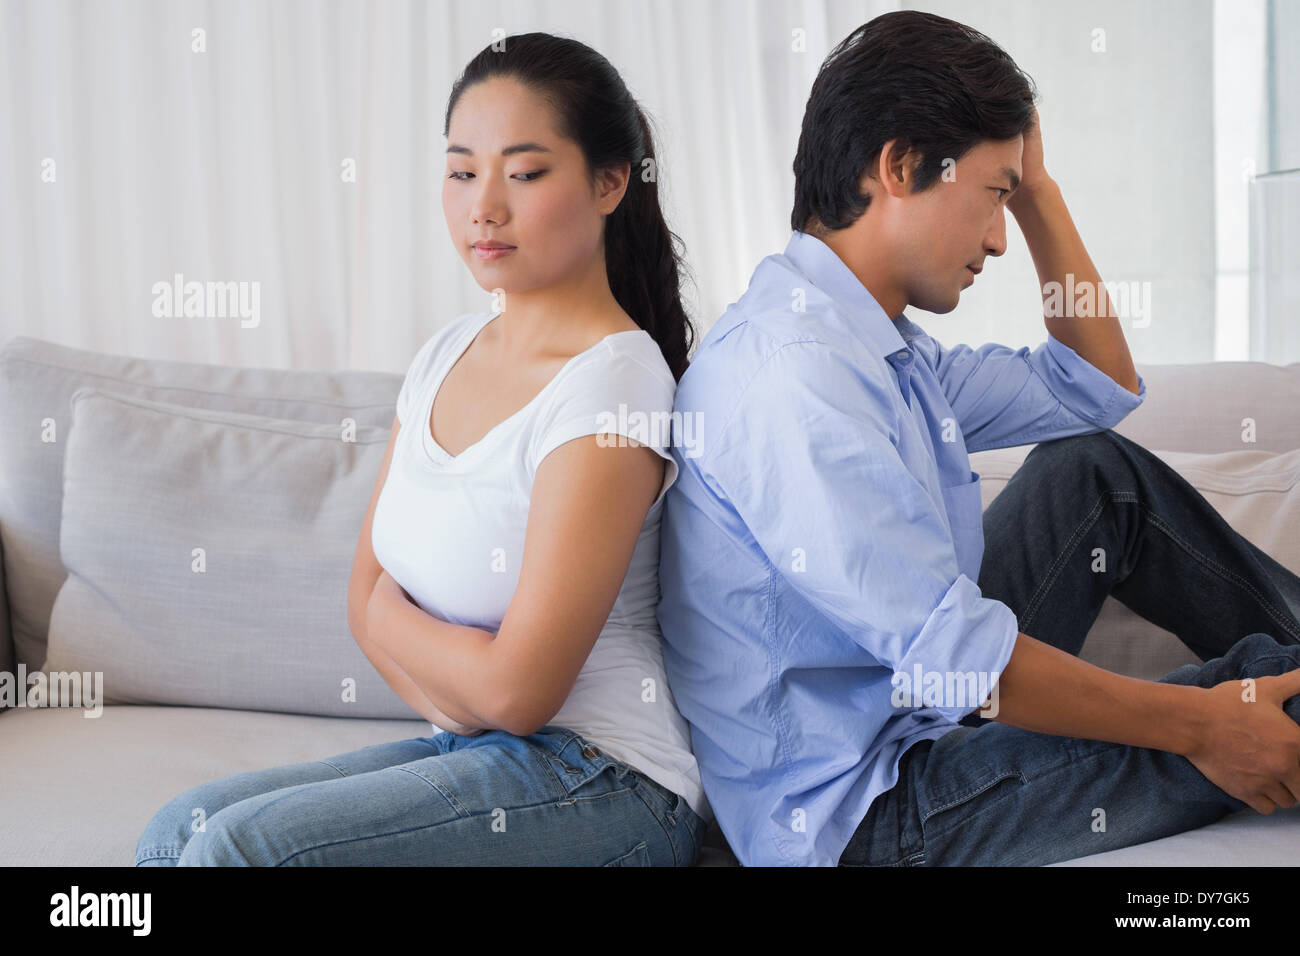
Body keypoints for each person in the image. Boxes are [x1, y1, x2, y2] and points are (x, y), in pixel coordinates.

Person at [656, 10, 1300, 867]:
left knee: (1092, 475)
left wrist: (1039, 189)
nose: (1000, 239)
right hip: (864, 814)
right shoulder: (792, 378)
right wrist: (1202, 726)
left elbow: (1096, 388)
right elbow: (964, 664)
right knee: (1257, 705)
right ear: (898, 164)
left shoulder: (876, 348)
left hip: (919, 709)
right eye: (995, 196)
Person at [135, 32, 709, 867]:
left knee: (240, 853)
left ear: (610, 183)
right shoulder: (444, 355)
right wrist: (475, 683)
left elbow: (520, 689)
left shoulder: (614, 384)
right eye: (462, 170)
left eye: (525, 171)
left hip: (607, 782)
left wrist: (463, 671)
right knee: (178, 830)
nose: (485, 205)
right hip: (474, 752)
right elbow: (362, 598)